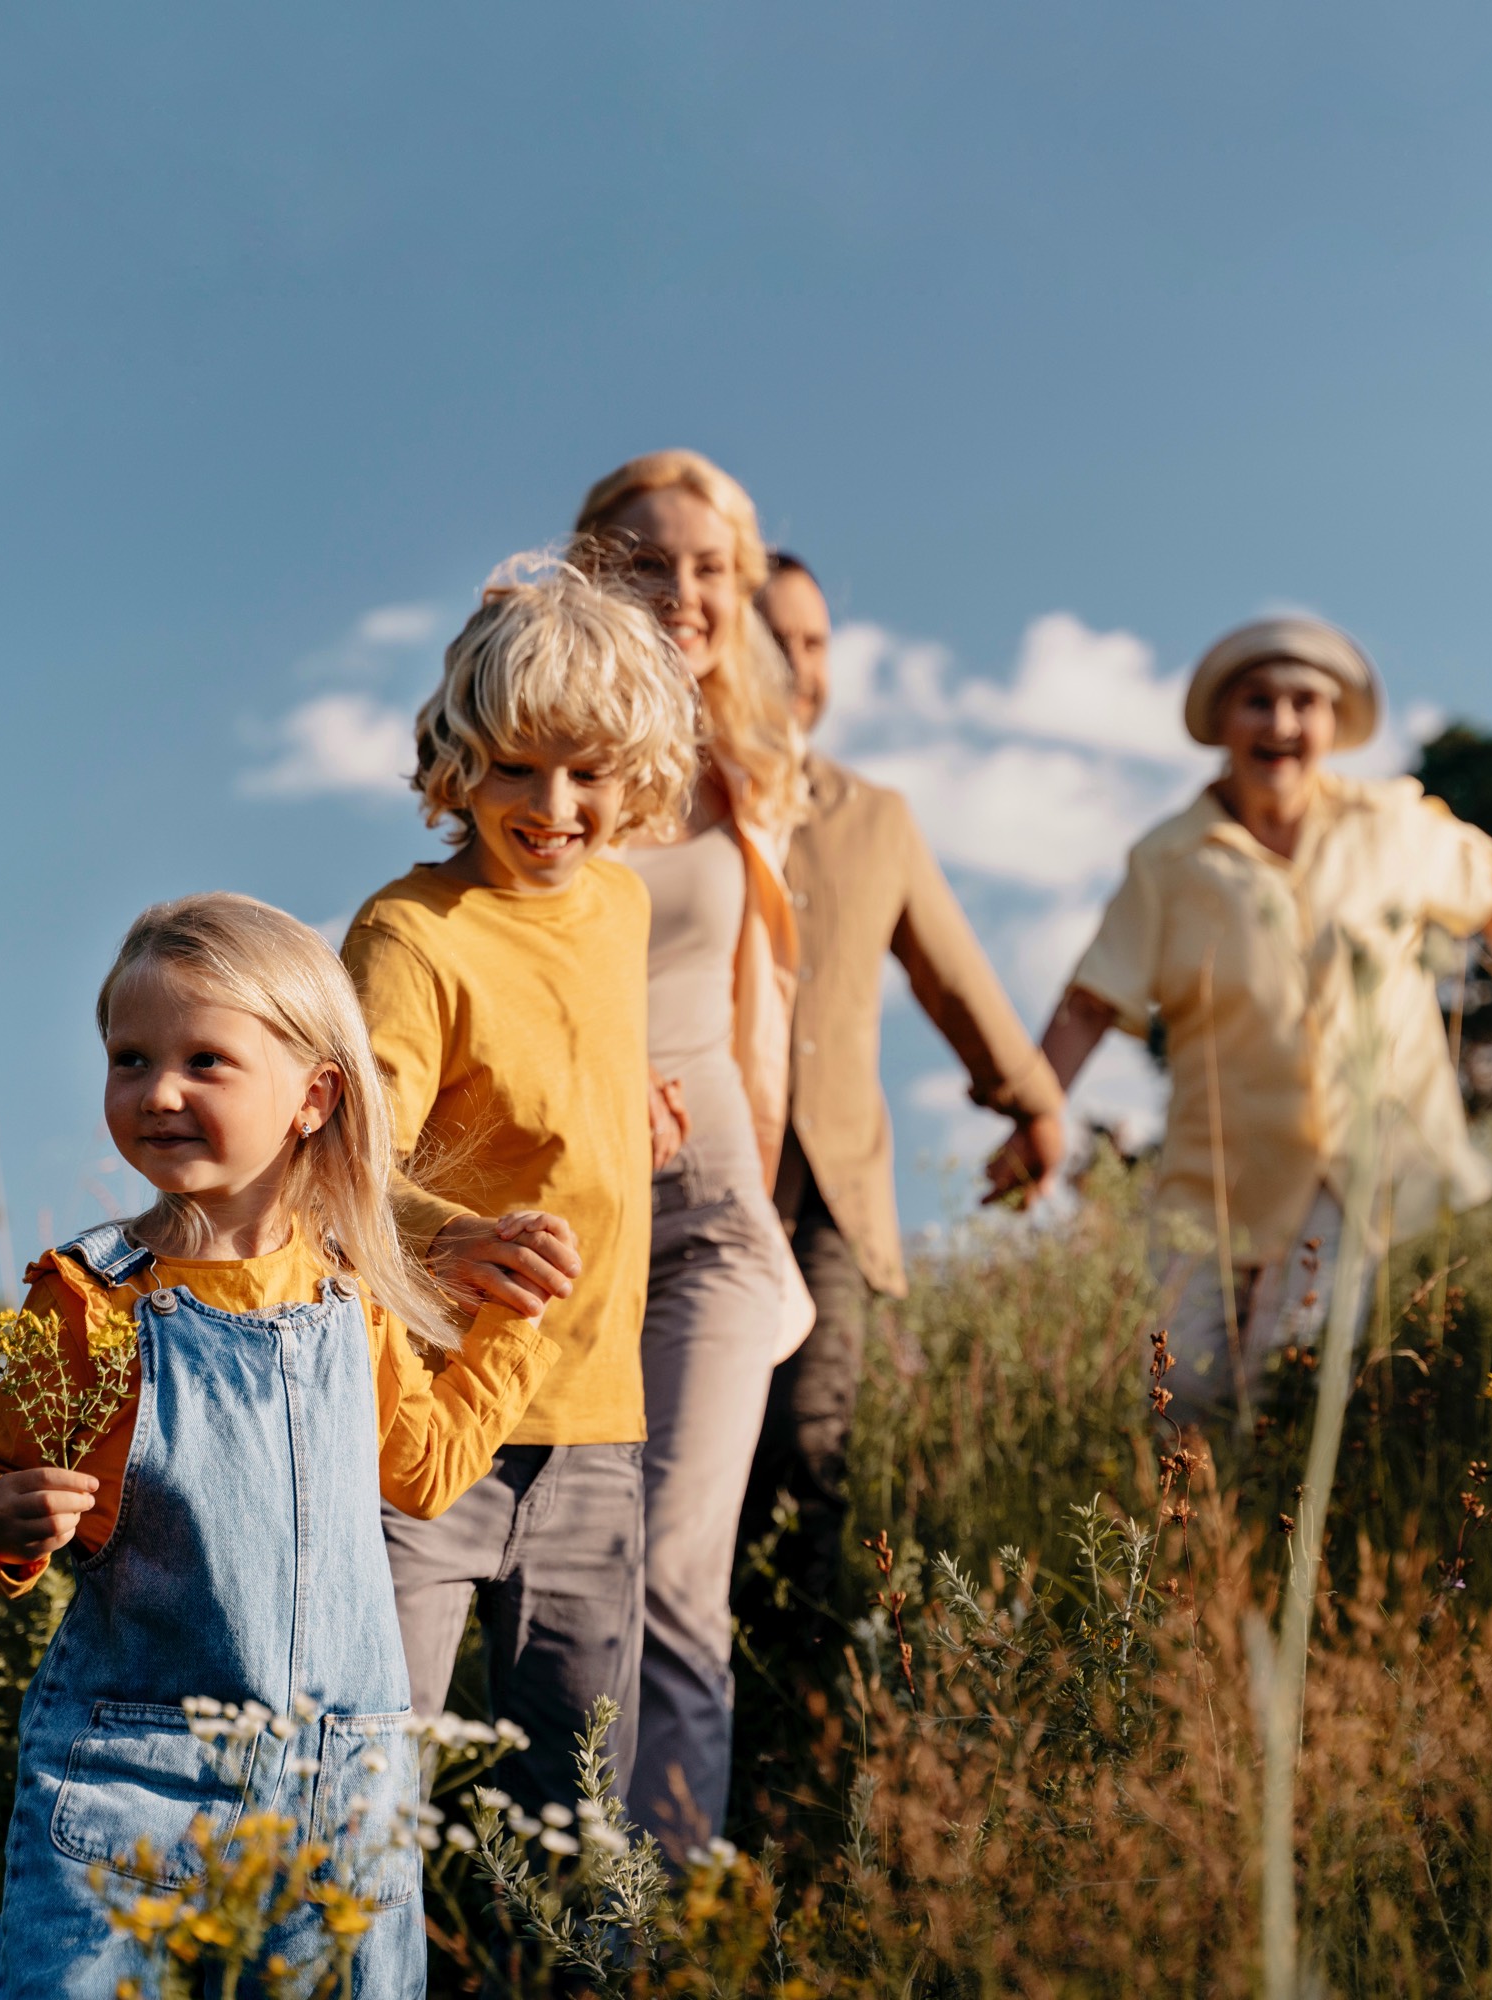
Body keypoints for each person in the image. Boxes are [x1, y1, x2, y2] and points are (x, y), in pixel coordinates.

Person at [0, 894, 563, 1999]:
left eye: (205, 1059)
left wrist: (514, 1331)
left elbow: (423, 1472)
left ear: (313, 1096)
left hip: (347, 1798)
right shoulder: (90, 1305)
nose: (159, 1091)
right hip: (140, 1784)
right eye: (129, 1058)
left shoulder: (351, 1298)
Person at [343, 556, 698, 1810]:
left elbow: (556, 1038)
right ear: (457, 760)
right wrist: (449, 1235)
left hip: (596, 1424)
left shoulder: (619, 906)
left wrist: (632, 1090)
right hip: (430, 1426)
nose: (553, 805)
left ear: (635, 775)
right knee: (372, 1775)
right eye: (514, 766)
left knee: (575, 1806)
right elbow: (338, 1159)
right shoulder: (410, 934)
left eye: (589, 772)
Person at [1033, 616, 1492, 1436]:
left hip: (1354, 1166)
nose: (1281, 724)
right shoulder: (1170, 859)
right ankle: (1196, 1556)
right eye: (1256, 703)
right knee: (1183, 1394)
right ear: (1221, 723)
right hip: (1215, 1173)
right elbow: (1093, 998)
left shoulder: (1390, 825)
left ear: (1332, 723)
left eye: (1303, 704)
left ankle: (1293, 1550)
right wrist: (1035, 1113)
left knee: (1293, 1385)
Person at [739, 550, 1066, 1646]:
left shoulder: (871, 817)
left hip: (826, 1192)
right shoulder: (656, 798)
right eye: (770, 635)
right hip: (685, 1183)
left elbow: (953, 971)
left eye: (814, 641)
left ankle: (790, 1762)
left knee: (808, 1458)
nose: (795, 663)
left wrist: (1031, 1101)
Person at [571, 451, 814, 1855]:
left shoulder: (751, 772)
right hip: (563, 1224)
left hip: (714, 1219)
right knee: (565, 1576)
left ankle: (658, 1913)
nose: (685, 592)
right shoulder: (539, 749)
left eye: (712, 566)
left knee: (672, 1567)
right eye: (646, 562)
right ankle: (555, 1885)